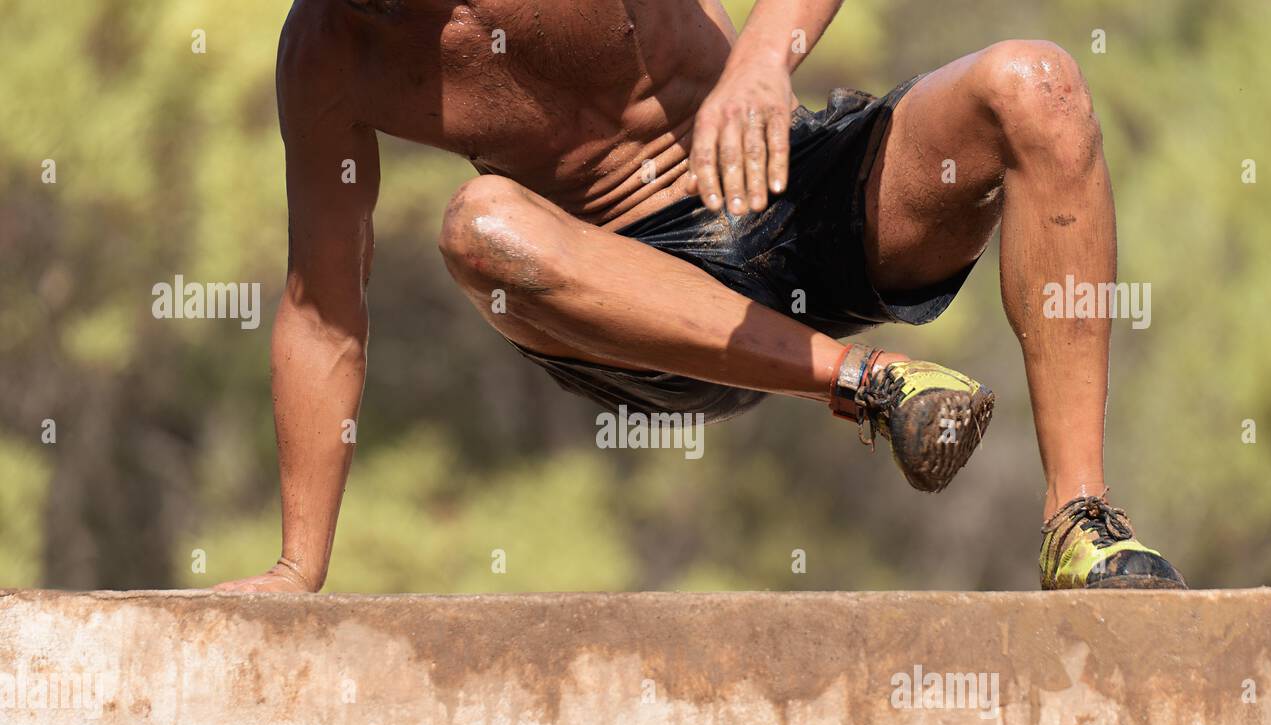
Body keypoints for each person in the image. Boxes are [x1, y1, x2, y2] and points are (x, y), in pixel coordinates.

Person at [215, 0, 1186, 593]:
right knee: (478, 229)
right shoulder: (328, 56)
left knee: (1035, 84)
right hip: (635, 302)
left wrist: (764, 59)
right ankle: (868, 385)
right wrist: (299, 570)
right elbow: (320, 311)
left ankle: (1079, 522)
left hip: (786, 183)